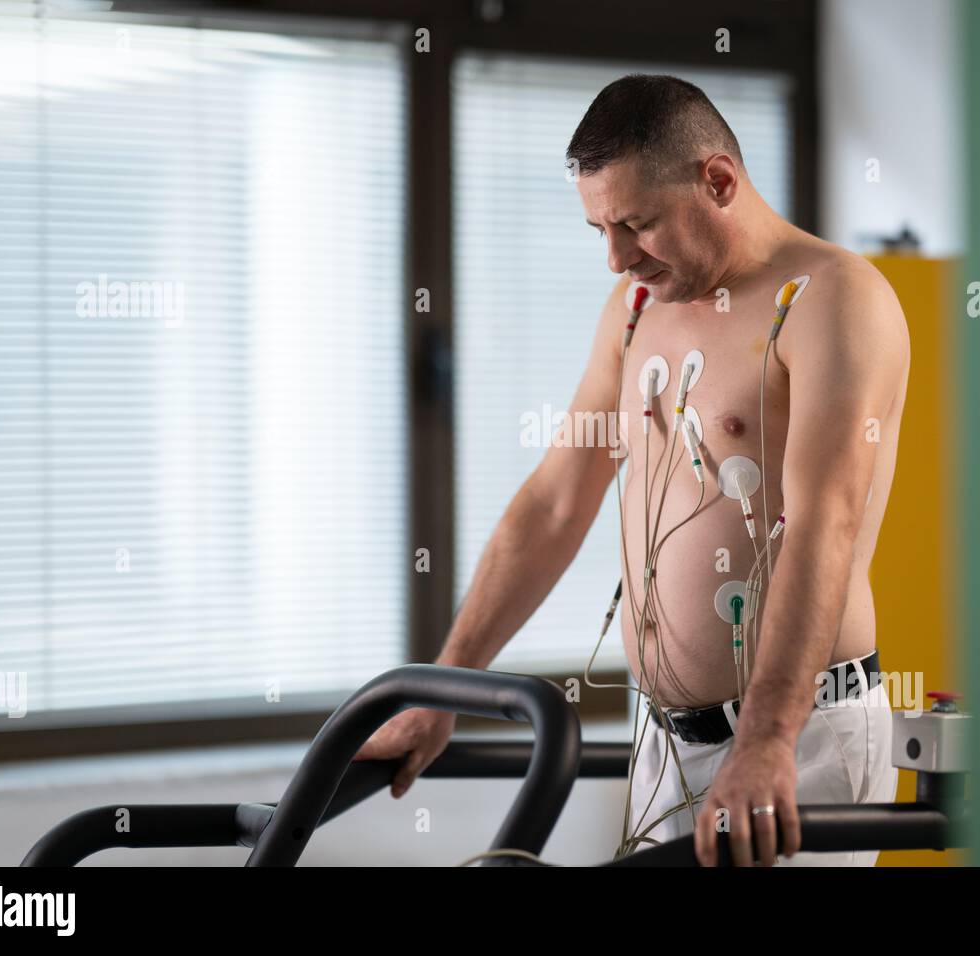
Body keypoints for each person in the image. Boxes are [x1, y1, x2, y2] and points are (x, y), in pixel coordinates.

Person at [355, 74, 910, 867]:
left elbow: (821, 523)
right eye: (598, 228)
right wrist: (442, 693)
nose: (616, 256)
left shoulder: (833, 298)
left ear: (717, 180)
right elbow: (555, 504)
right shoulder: (636, 308)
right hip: (664, 742)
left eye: (636, 224)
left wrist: (766, 739)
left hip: (800, 738)